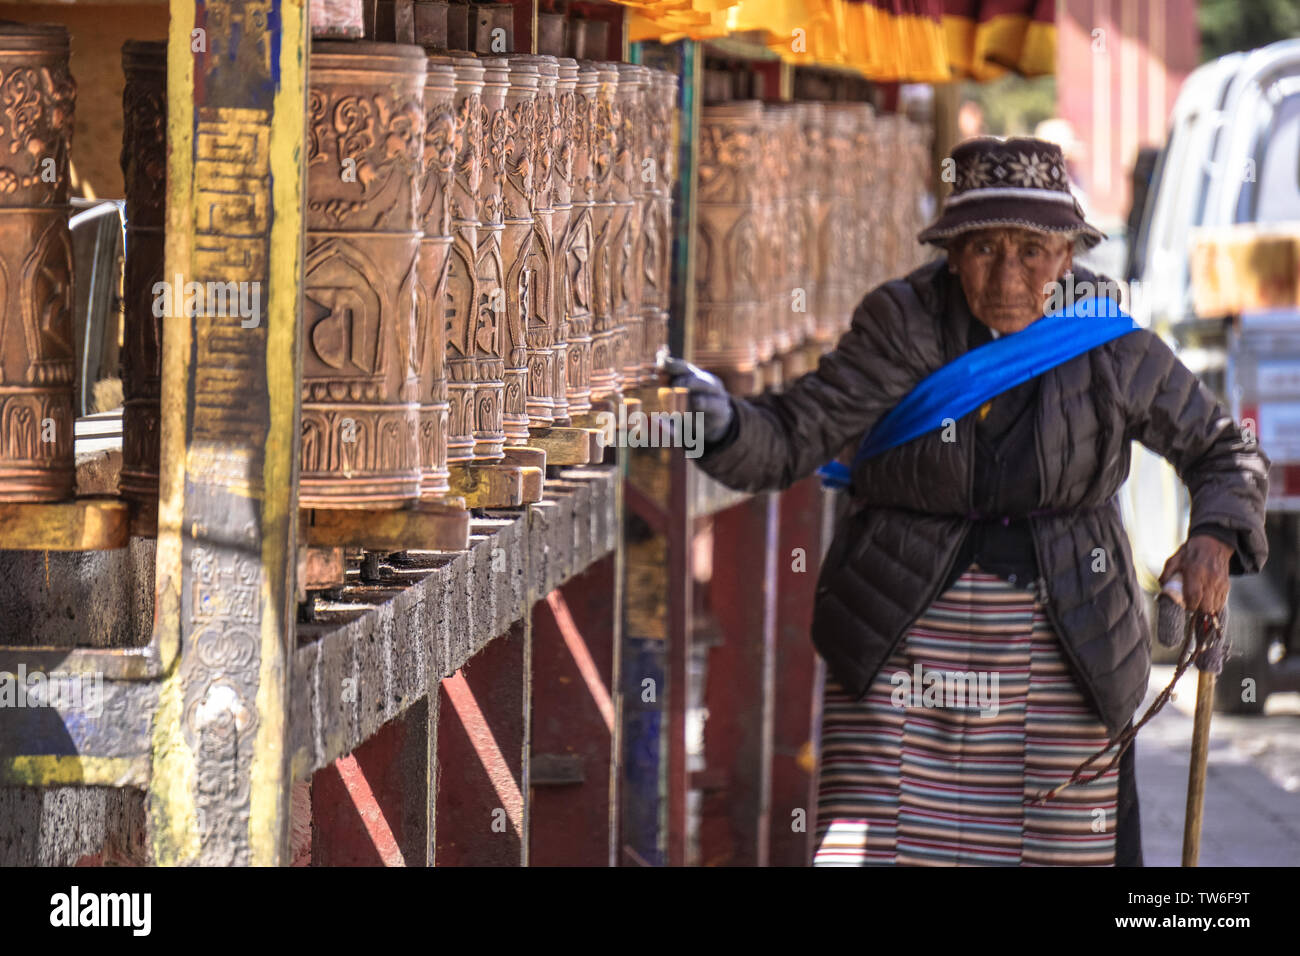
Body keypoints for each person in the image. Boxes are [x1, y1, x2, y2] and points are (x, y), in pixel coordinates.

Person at [667, 136, 1270, 866]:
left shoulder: (1105, 343)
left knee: (1059, 848)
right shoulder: (903, 323)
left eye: (1033, 251)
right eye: (985, 249)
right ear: (952, 254)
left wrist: (1215, 534)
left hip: (1064, 638)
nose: (1009, 275)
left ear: (1069, 256)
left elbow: (1223, 449)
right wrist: (715, 420)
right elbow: (795, 434)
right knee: (877, 849)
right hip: (902, 630)